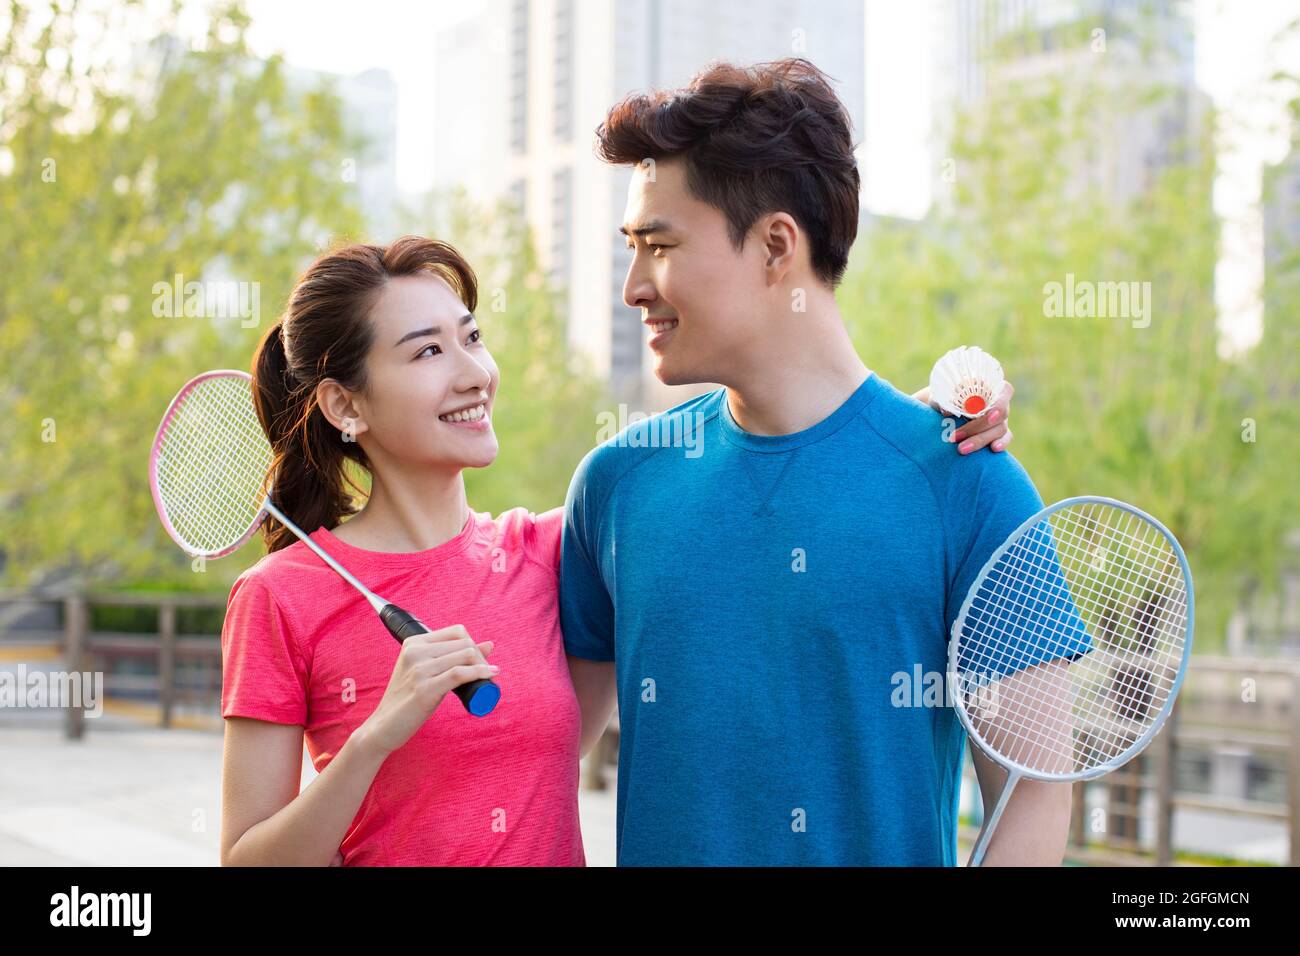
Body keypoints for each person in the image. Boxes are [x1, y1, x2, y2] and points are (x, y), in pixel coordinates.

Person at [559, 58, 1072, 866]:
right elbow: (534, 759)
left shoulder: (972, 483)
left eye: (657, 246)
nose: (633, 287)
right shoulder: (615, 485)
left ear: (775, 246)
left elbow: (1035, 790)